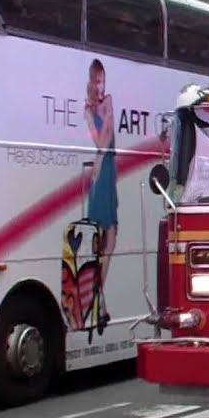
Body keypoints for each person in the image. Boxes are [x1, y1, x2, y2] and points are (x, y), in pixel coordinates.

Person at [85, 59, 118, 322]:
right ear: (90, 81)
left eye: (103, 80)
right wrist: (104, 124)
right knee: (105, 235)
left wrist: (101, 150)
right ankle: (99, 299)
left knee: (111, 236)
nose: (101, 85)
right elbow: (99, 139)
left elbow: (106, 138)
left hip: (105, 169)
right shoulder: (89, 109)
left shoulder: (109, 100)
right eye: (97, 80)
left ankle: (99, 295)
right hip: (100, 173)